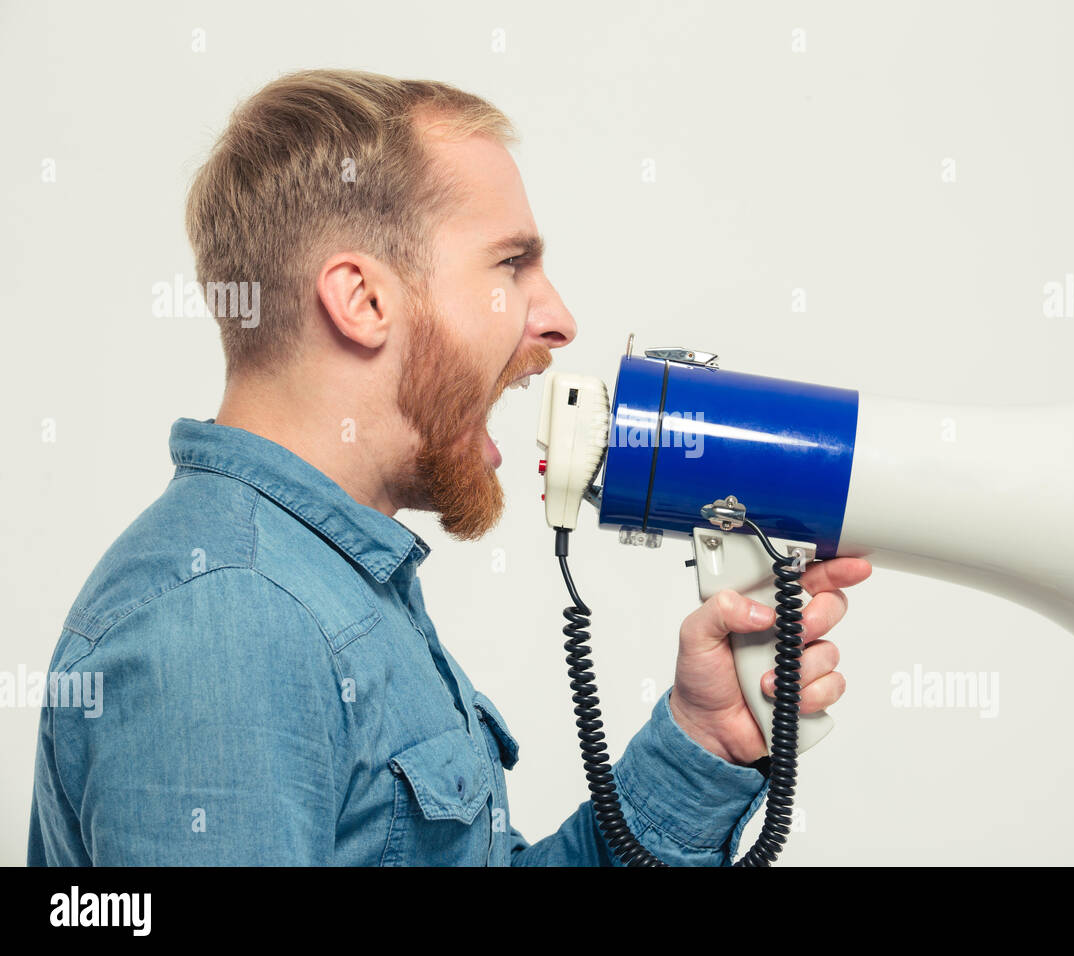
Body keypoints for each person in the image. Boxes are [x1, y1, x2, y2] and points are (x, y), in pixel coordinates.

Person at [27, 69, 871, 866]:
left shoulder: (326, 586)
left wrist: (703, 739)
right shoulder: (229, 621)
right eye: (511, 264)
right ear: (363, 301)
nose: (560, 320)